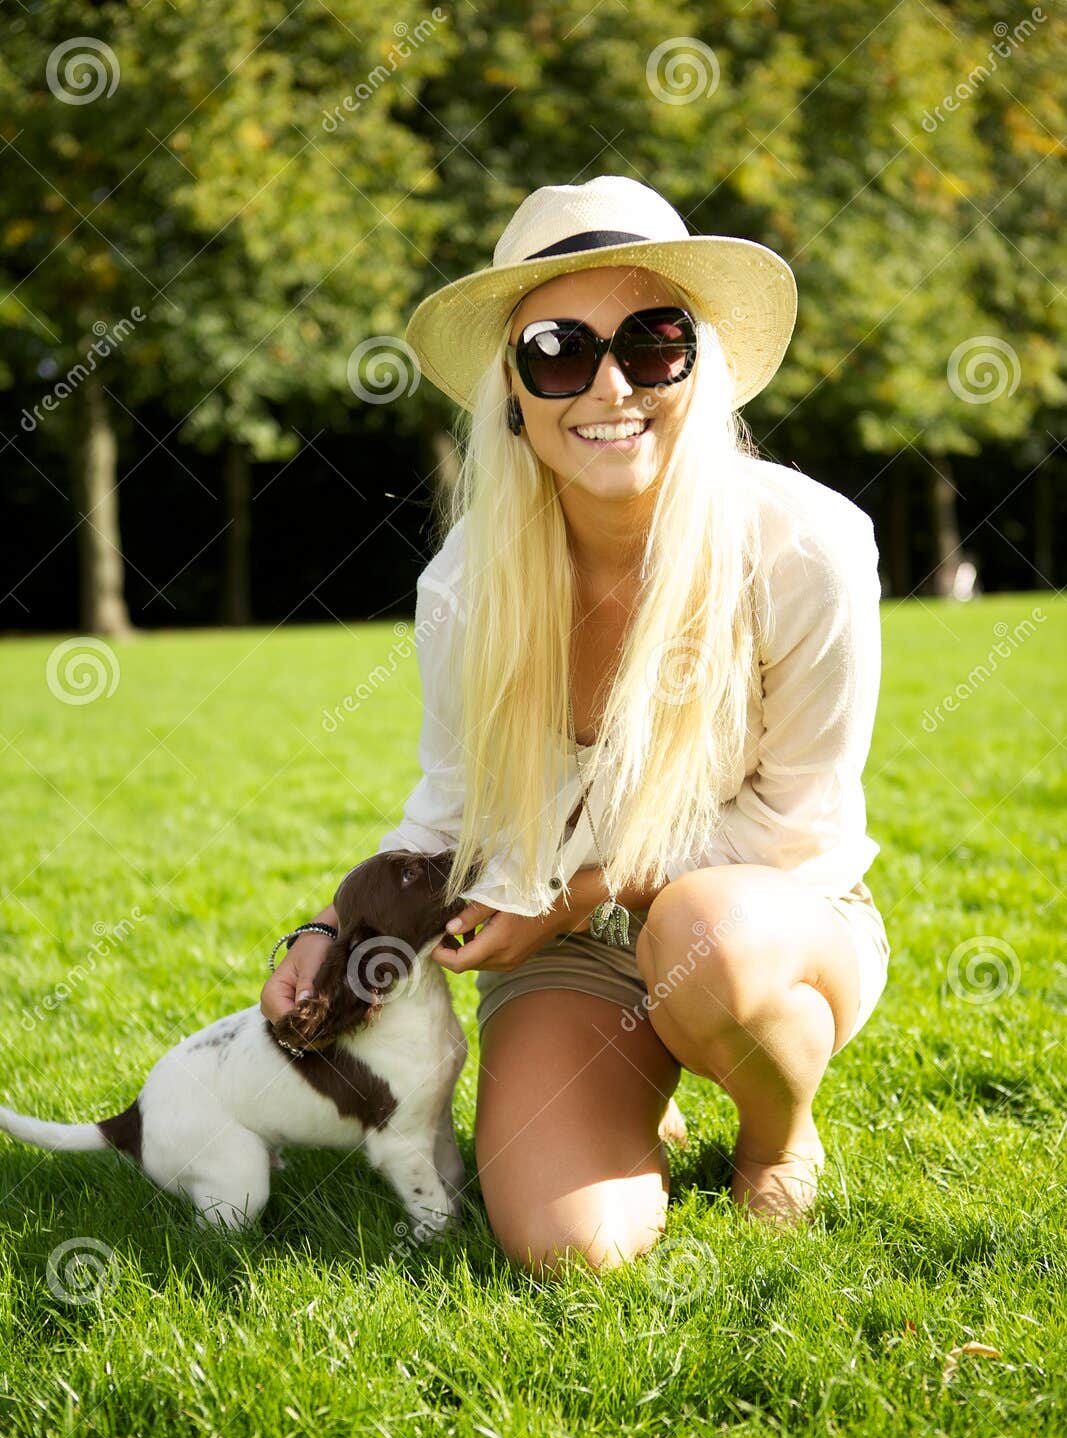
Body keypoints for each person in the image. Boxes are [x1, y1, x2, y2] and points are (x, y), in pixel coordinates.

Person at [261, 176, 891, 1271]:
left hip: (763, 920)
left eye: (651, 341)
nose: (609, 384)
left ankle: (776, 1130)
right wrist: (325, 932)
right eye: (557, 350)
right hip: (567, 947)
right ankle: (636, 1079)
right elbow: (448, 812)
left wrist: (576, 893)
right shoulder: (468, 584)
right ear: (513, 390)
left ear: (699, 363)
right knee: (569, 1249)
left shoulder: (805, 547)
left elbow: (800, 833)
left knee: (703, 940)